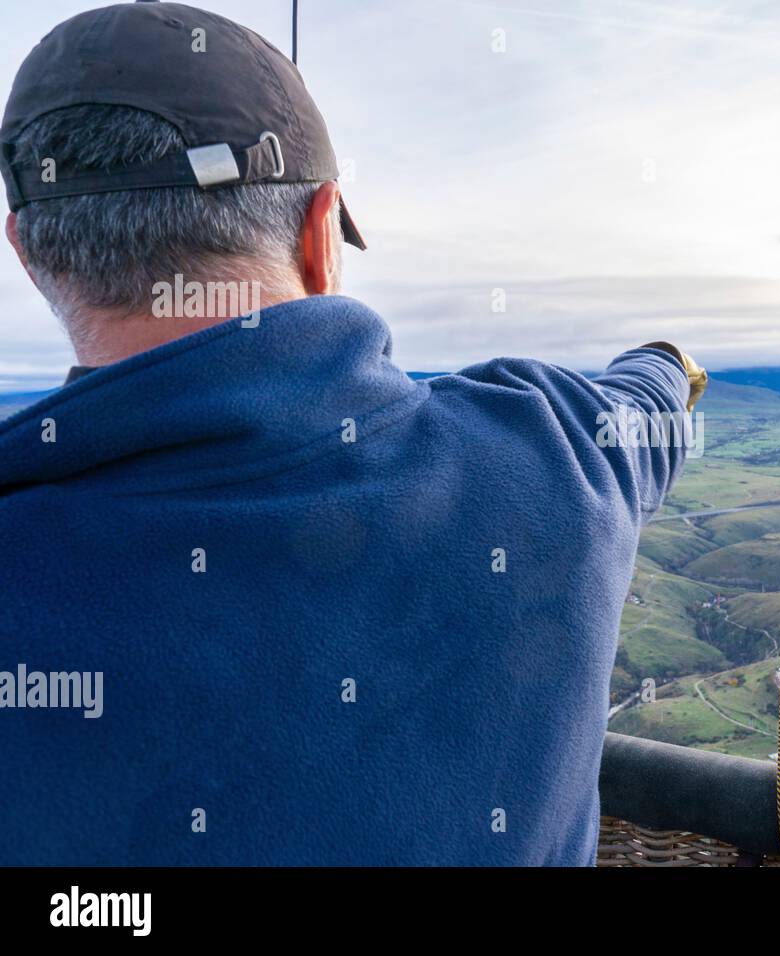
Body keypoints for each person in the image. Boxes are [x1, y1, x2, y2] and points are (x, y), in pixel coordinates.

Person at [0, 1, 706, 865]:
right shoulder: (553, 458)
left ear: (31, 256)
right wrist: (671, 359)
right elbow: (644, 407)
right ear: (320, 233)